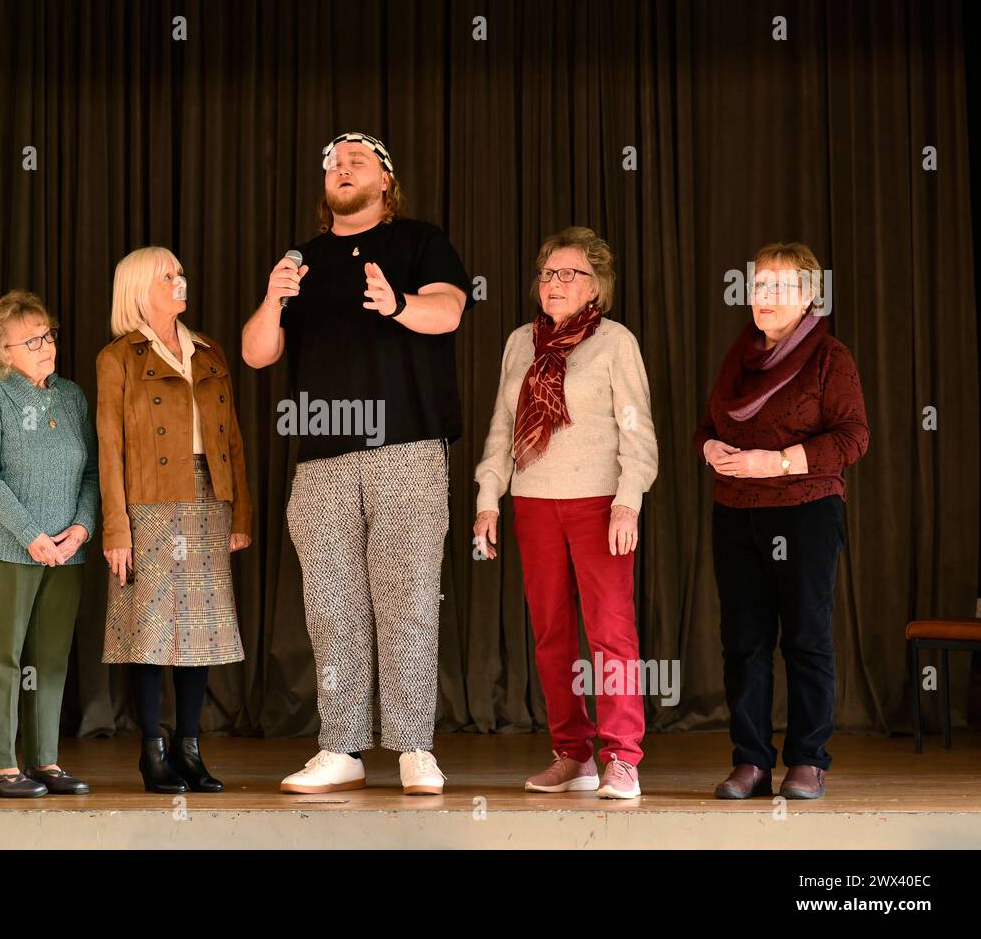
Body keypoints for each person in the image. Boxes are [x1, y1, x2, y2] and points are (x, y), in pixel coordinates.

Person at [241, 131, 471, 795]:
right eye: (334, 164)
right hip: (321, 457)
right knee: (331, 606)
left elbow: (450, 312)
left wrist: (397, 304)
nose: (342, 169)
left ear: (386, 179)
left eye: (357, 161)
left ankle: (412, 749)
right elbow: (259, 353)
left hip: (406, 445)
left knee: (408, 603)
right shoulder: (302, 261)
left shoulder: (421, 241)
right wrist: (273, 297)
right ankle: (339, 747)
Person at [473, 227, 658, 799]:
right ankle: (571, 753)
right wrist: (488, 499)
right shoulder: (518, 344)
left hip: (600, 504)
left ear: (595, 286)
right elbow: (502, 429)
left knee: (611, 634)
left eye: (568, 273)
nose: (553, 283)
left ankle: (621, 757)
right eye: (547, 273)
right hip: (533, 502)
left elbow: (637, 431)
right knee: (552, 635)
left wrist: (629, 501)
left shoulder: (615, 343)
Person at [694, 242, 868, 801]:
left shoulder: (829, 358)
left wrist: (778, 462)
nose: (763, 297)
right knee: (743, 642)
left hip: (806, 512)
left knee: (805, 638)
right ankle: (751, 762)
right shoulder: (737, 355)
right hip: (736, 512)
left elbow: (853, 438)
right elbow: (707, 425)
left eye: (779, 286)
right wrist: (709, 451)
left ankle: (808, 762)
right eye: (758, 285)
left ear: (810, 296)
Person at [96, 246, 252, 794]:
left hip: (208, 495)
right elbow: (108, 449)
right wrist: (117, 528)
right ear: (140, 287)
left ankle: (190, 748)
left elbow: (231, 436)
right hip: (149, 502)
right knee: (150, 631)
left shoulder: (208, 350)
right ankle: (151, 751)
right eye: (169, 275)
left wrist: (239, 509)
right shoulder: (117, 357)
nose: (180, 281)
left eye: (181, 272)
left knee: (199, 631)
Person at [0, 290, 98, 798]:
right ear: (3, 351)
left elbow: (92, 473)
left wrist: (81, 528)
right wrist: (31, 536)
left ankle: (44, 761)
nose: (46, 345)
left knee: (51, 659)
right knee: (5, 655)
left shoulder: (71, 396)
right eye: (32, 339)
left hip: (68, 550)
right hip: (5, 547)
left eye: (48, 335)